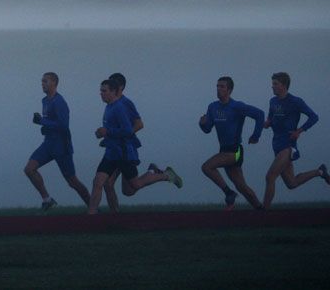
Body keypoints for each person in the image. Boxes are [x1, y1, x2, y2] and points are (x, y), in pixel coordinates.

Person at [88, 79, 182, 214]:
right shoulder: (108, 107)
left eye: (104, 91)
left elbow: (129, 130)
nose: (101, 94)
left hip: (124, 153)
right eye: (100, 91)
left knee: (133, 187)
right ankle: (93, 214)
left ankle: (164, 175)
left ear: (115, 90)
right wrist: (104, 136)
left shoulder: (121, 107)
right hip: (111, 153)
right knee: (99, 182)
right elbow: (112, 130)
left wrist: (108, 132)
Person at [23, 72, 90, 210]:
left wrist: (42, 121)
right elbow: (50, 123)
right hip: (48, 143)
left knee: (72, 181)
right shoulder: (45, 101)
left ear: (54, 82)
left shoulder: (59, 102)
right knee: (29, 169)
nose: (42, 84)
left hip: (61, 145)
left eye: (45, 81)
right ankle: (47, 199)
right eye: (42, 81)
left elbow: (63, 125)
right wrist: (44, 127)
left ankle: (92, 206)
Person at [262, 72, 328, 209]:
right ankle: (320, 172)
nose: (272, 86)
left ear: (284, 86)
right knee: (292, 184)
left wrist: (299, 131)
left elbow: (313, 117)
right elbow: (271, 118)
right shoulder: (272, 101)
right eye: (272, 83)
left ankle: (263, 213)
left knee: (270, 177)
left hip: (288, 145)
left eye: (275, 84)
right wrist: (267, 123)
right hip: (276, 144)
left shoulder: (296, 101)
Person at [198, 76, 265, 210]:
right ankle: (260, 210)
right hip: (224, 150)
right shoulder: (213, 107)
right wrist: (202, 124)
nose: (218, 89)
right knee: (242, 187)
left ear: (229, 90)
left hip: (235, 151)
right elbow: (207, 129)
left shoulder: (237, 106)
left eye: (222, 86)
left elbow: (260, 114)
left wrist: (256, 135)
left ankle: (229, 193)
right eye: (217, 86)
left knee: (206, 167)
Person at [102, 72, 147, 213]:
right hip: (114, 149)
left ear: (120, 87)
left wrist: (122, 136)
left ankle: (160, 174)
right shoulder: (110, 104)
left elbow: (139, 124)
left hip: (126, 150)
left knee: (111, 184)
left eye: (113, 83)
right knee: (127, 190)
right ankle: (115, 215)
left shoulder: (126, 103)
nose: (110, 86)